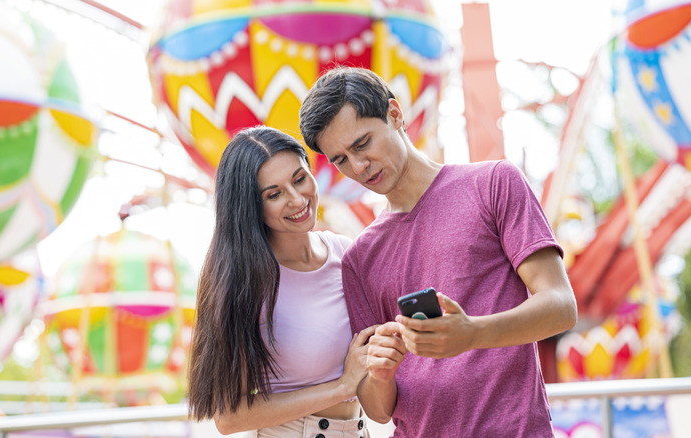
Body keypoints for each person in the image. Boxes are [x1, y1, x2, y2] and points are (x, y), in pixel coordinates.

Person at [299, 67, 578, 437]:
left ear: (395, 115)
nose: (358, 166)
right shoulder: (359, 258)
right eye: (341, 159)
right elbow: (379, 411)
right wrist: (381, 373)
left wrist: (473, 334)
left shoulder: (493, 184)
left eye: (362, 143)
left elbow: (561, 306)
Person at [187, 126, 376, 437]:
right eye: (274, 194)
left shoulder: (345, 252)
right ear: (251, 207)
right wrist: (341, 387)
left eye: (299, 178)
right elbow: (228, 418)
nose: (297, 199)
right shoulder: (246, 282)